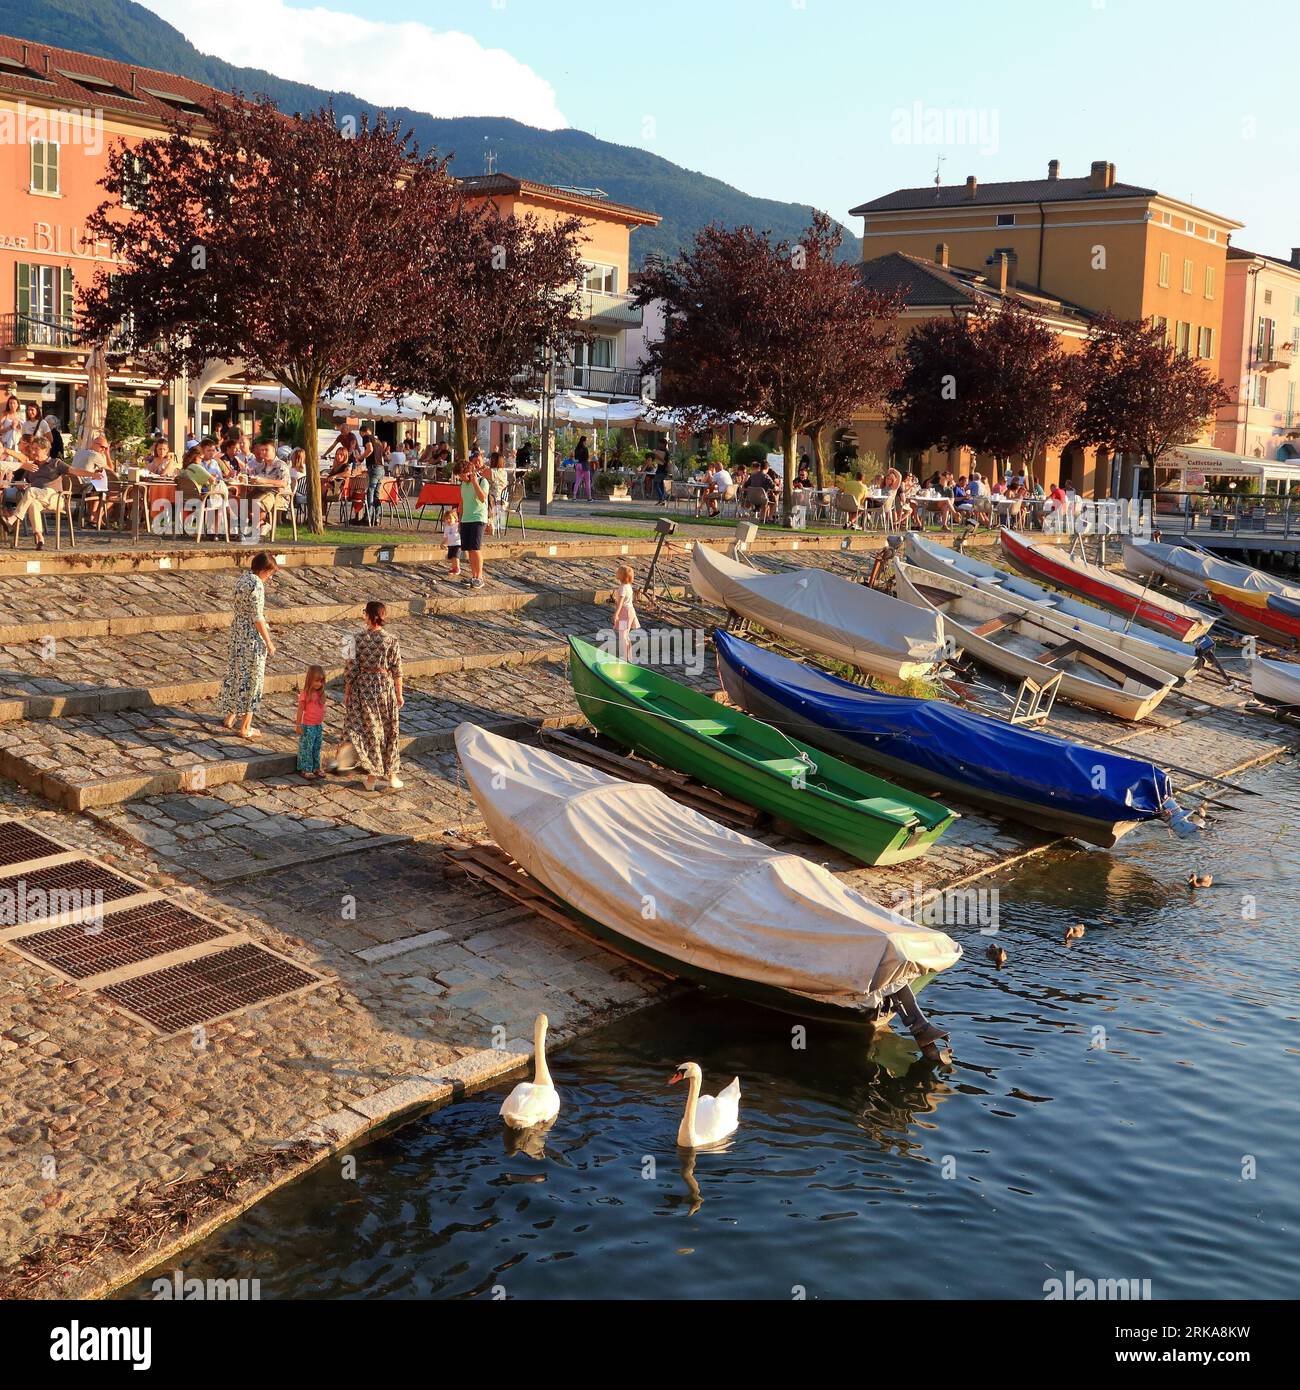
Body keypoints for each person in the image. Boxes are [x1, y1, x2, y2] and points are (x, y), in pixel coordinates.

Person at [339, 600, 404, 792]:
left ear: (367, 615)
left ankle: (371, 778)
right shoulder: (392, 640)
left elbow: (350, 670)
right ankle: (391, 775)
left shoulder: (353, 639)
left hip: (363, 688)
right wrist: (399, 695)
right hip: (385, 688)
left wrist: (347, 693)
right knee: (388, 731)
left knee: (369, 731)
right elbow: (397, 671)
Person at [0, 437, 102, 549]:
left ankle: (13, 519)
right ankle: (39, 537)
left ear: (45, 450)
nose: (33, 452)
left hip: (55, 497)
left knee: (32, 491)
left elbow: (74, 470)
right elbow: (25, 482)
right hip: (38, 498)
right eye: (32, 449)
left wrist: (93, 475)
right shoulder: (32, 466)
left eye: (36, 449)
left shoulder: (56, 463)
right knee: (32, 504)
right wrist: (21, 485)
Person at [218, 552, 277, 739]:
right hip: (251, 637)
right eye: (270, 573)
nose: (271, 577)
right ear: (263, 570)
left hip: (238, 633)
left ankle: (230, 716)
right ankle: (246, 726)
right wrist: (269, 642)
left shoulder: (242, 579)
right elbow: (258, 617)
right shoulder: (257, 585)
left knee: (236, 674)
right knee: (253, 679)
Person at [456, 455, 489, 588]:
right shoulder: (463, 484)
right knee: (469, 549)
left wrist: (475, 482)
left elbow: (482, 498)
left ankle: (479, 576)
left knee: (475, 548)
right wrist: (459, 519)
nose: (461, 478)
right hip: (466, 519)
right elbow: (463, 502)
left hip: (478, 518)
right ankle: (474, 575)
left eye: (462, 475)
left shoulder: (482, 482)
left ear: (469, 472)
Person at [296, 665, 327, 780]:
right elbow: (300, 710)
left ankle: (315, 767)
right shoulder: (305, 693)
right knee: (307, 748)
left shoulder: (321, 694)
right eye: (316, 681)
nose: (319, 684)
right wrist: (298, 724)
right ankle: (306, 768)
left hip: (318, 726)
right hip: (308, 726)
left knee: (317, 747)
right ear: (310, 680)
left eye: (321, 681)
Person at [612, 563, 640, 661]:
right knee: (626, 635)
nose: (616, 572)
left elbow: (620, 604)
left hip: (625, 613)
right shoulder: (628, 586)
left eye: (618, 572)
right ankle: (629, 656)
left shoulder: (623, 588)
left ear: (622, 576)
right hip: (630, 611)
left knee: (623, 635)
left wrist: (616, 614)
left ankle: (625, 657)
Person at [573, 434, 592, 500]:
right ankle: (589, 497)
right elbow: (587, 457)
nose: (586, 442)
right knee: (587, 481)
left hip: (578, 465)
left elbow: (575, 457)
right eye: (586, 441)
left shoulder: (577, 448)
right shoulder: (585, 448)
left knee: (577, 481)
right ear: (584, 441)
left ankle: (574, 496)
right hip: (584, 465)